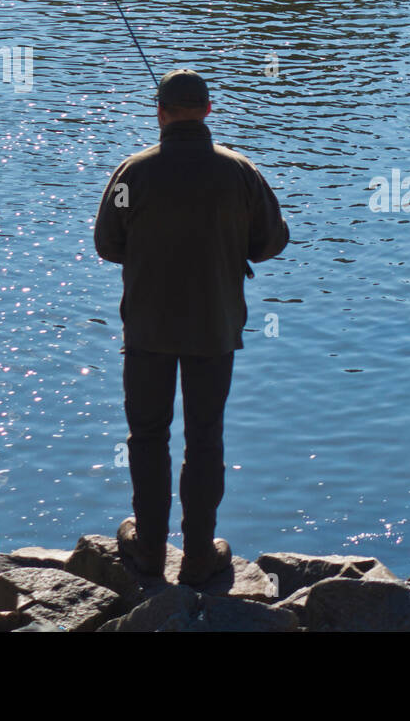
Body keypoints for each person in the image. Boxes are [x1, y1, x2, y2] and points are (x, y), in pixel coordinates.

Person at [94, 69, 288, 586]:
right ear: (207, 111)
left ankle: (151, 549)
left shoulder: (132, 174)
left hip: (148, 330)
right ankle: (200, 552)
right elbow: (272, 242)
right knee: (205, 436)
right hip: (214, 328)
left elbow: (107, 244)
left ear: (160, 112)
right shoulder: (240, 172)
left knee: (147, 434)